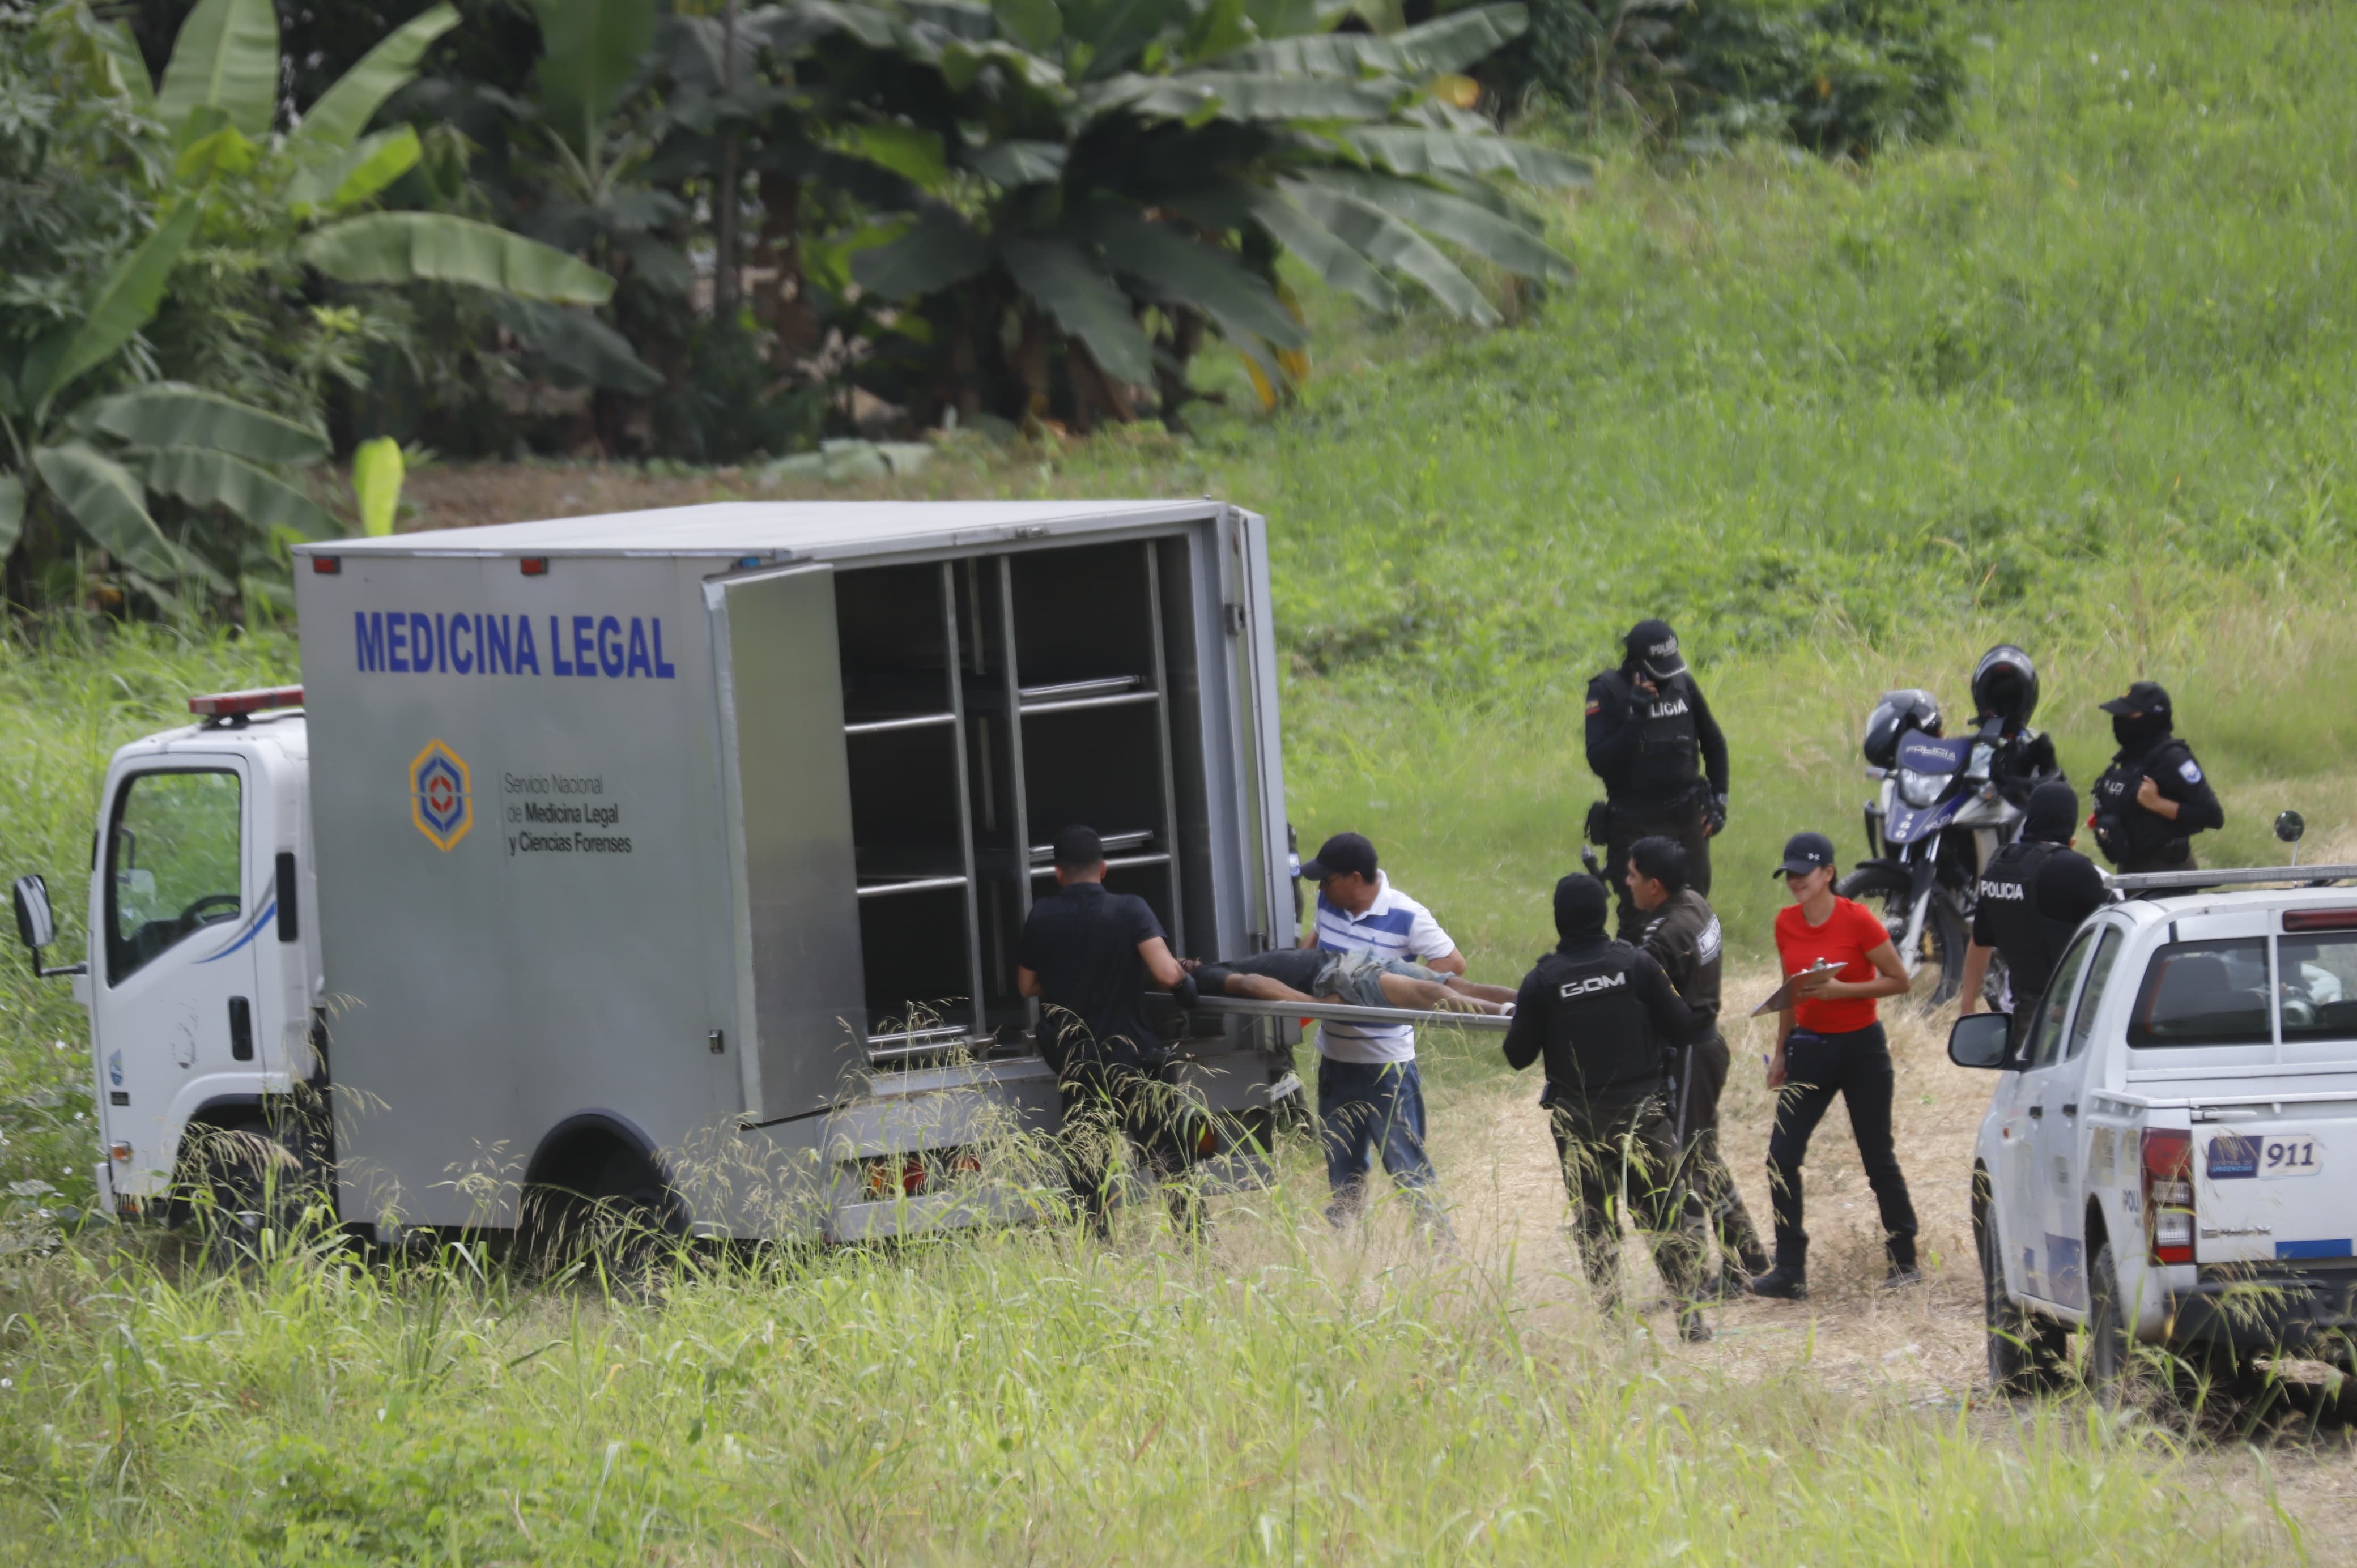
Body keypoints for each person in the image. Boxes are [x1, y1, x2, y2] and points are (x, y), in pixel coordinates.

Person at [1502, 874, 1708, 1341]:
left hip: (1579, 1121)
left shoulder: (1542, 981)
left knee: (1595, 1225)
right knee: (1661, 1214)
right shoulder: (1637, 965)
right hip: (1643, 1113)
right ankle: (1690, 1317)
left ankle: (1612, 1326)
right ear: (1605, 915)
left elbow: (1517, 1057)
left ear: (1558, 920)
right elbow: (1681, 1026)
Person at [1751, 832, 1921, 1299]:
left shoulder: (1859, 921)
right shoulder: (1785, 924)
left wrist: (1841, 991)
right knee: (1781, 1158)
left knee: (1876, 1157)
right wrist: (1781, 1050)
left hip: (1862, 1048)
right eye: (1789, 874)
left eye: (1803, 873)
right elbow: (1791, 989)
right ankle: (1789, 1269)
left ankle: (1904, 1257)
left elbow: (1899, 981)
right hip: (1811, 1049)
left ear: (1829, 873)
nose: (1795, 882)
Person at [1016, 825, 1207, 1239]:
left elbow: (1027, 986)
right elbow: (1164, 972)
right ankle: (1197, 1247)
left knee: (1089, 1170)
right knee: (1169, 1159)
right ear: (1104, 869)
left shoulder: (1041, 916)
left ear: (1058, 873)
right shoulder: (1130, 909)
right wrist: (1184, 979)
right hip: (1132, 1059)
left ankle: (1100, 1255)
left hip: (1076, 1062)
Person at [1624, 836, 1768, 1298]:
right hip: (1707, 1046)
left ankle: (1701, 1276)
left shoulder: (1664, 938)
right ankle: (1747, 1258)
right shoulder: (1696, 905)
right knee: (1704, 1156)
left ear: (1654, 884)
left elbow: (1644, 1002)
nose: (1626, 884)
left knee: (1686, 1164)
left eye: (1631, 876)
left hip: (1688, 1055)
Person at [1299, 832, 1463, 1232]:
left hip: (1386, 1068)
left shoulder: (1408, 915)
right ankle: (1346, 1261)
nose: (1320, 889)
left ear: (1355, 879)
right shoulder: (1328, 903)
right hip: (1335, 1062)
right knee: (1342, 1175)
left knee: (1409, 1173)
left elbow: (1452, 964)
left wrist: (1394, 986)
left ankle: (1442, 1260)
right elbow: (1317, 940)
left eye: (1327, 880)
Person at [1585, 619, 1730, 942]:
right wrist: (1634, 720)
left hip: (1685, 820)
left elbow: (1715, 744)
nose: (1665, 677)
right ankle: (1639, 988)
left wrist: (1720, 801)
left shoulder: (1683, 685)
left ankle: (1692, 990)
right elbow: (1599, 761)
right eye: (1656, 669)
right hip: (1634, 824)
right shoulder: (1606, 692)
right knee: (1639, 921)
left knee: (1694, 913)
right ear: (1636, 664)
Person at [1958, 782, 2110, 1034]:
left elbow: (1980, 940)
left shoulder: (2000, 865)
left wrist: (1967, 1008)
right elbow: (2118, 930)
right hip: (2075, 1011)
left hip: (2024, 1010)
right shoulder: (2074, 868)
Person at [2090, 681, 2223, 875]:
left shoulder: (2174, 759)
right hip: (2130, 868)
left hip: (2167, 872)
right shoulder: (2131, 756)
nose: (2119, 721)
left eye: (2128, 716)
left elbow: (2213, 815)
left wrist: (2157, 803)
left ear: (2152, 719)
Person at [1182, 949, 1515, 1014]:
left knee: (1457, 986)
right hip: (1338, 976)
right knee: (1429, 993)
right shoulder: (1203, 976)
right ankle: (1509, 1013)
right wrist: (1316, 1006)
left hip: (1349, 962)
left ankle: (1529, 999)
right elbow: (1251, 985)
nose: (1181, 959)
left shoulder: (1212, 966)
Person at [1967, 644, 2066, 808]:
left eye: (2010, 698)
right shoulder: (1968, 748)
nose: (2004, 704)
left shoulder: (2036, 747)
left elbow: (2060, 806)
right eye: (1998, 698)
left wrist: (2049, 767)